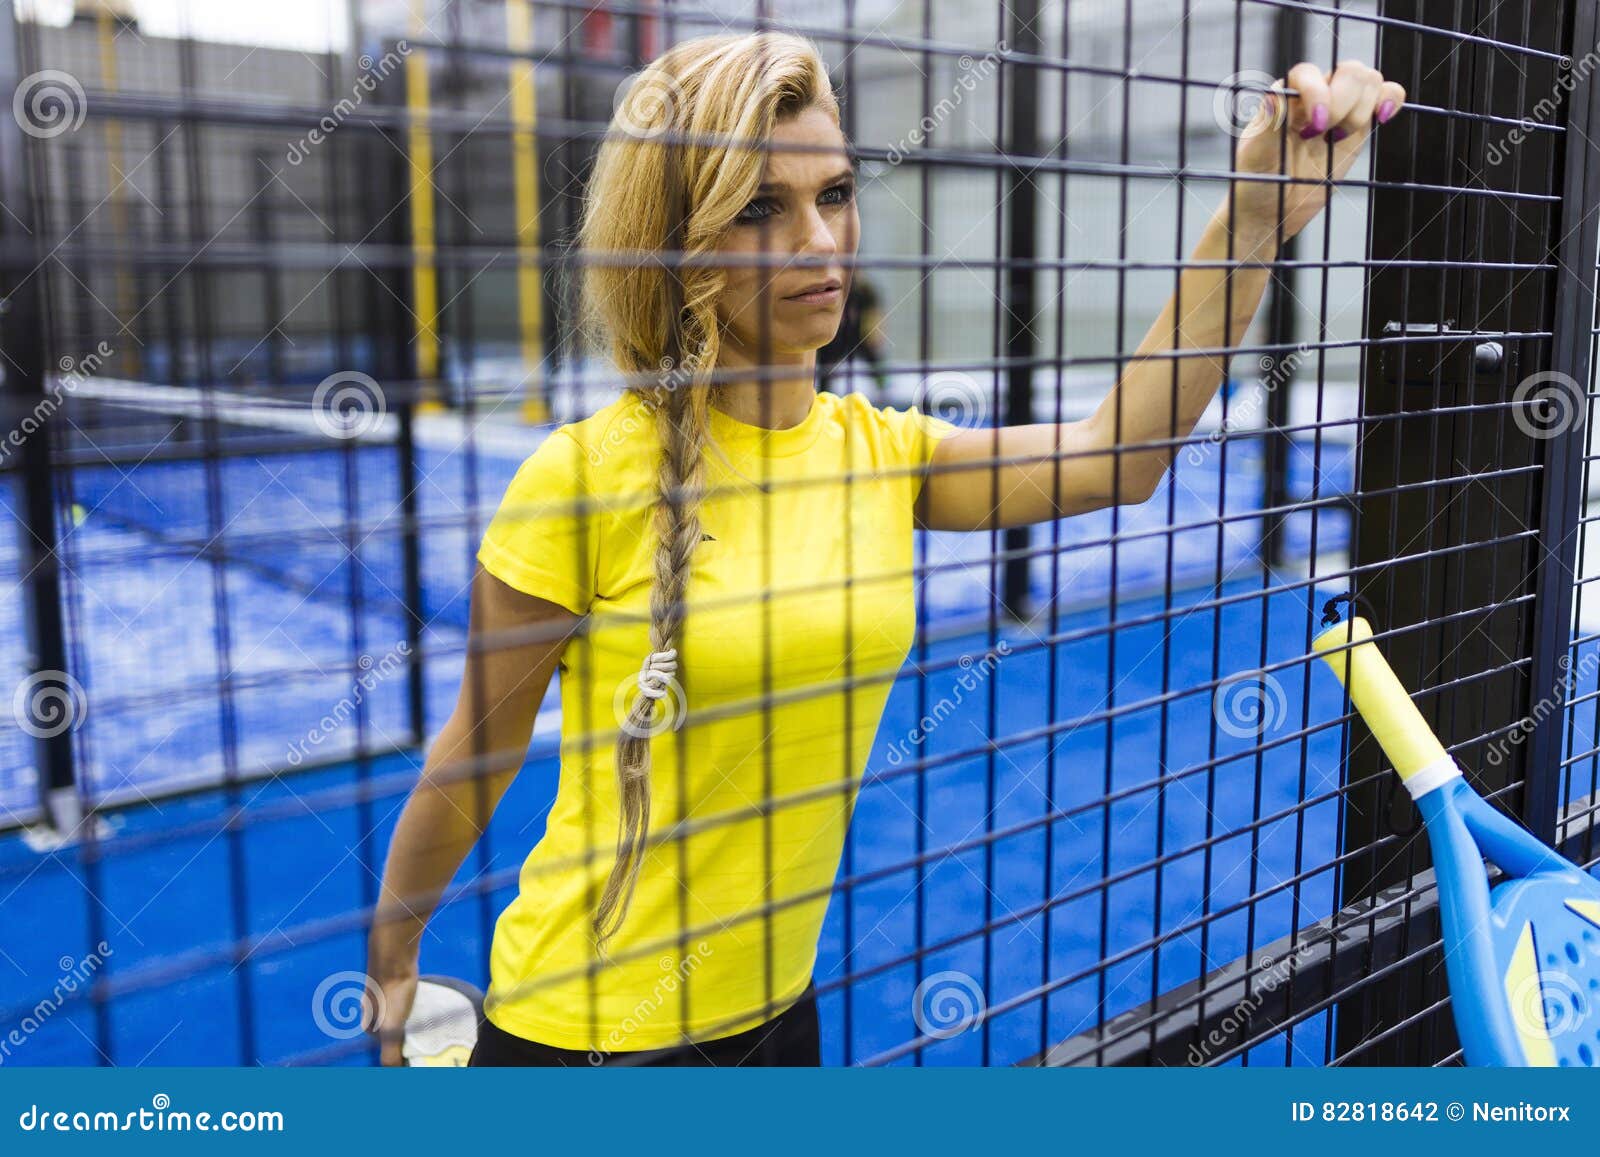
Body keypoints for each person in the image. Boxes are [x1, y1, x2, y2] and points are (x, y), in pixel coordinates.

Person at [365, 31, 1404, 1067]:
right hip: (580, 1037)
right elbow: (474, 753)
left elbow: (1116, 457)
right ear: (675, 242)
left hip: (781, 1016)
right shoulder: (581, 475)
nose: (819, 240)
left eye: (835, 193)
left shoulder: (883, 453)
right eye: (761, 207)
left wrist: (1256, 214)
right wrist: (393, 958)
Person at [816, 277, 889, 399]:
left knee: (873, 358)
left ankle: (883, 386)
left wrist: (875, 332)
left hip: (859, 332)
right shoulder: (837, 287)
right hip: (839, 333)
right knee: (827, 363)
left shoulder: (864, 290)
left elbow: (873, 313)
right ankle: (823, 394)